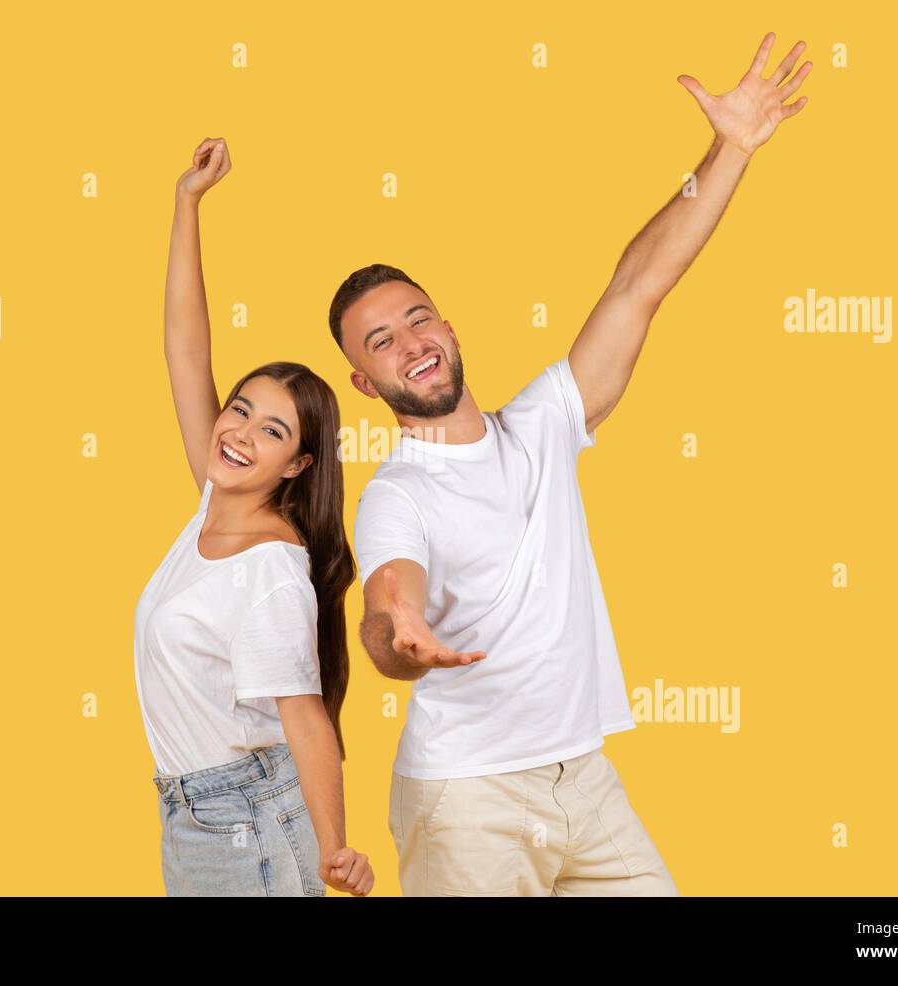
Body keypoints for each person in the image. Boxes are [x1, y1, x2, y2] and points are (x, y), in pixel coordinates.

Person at [335, 33, 811, 895]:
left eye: (419, 318)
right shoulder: (396, 495)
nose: (411, 343)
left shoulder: (544, 424)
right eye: (382, 342)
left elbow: (638, 284)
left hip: (583, 782)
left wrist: (729, 149)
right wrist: (398, 637)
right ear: (365, 382)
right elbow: (387, 602)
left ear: (450, 328)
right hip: (467, 796)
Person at [135, 136, 373, 896]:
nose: (238, 431)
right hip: (194, 813)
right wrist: (187, 203)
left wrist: (337, 848)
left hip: (245, 819)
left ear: (298, 465)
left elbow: (303, 716)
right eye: (240, 410)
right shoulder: (215, 502)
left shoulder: (271, 568)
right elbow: (184, 348)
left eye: (272, 431)